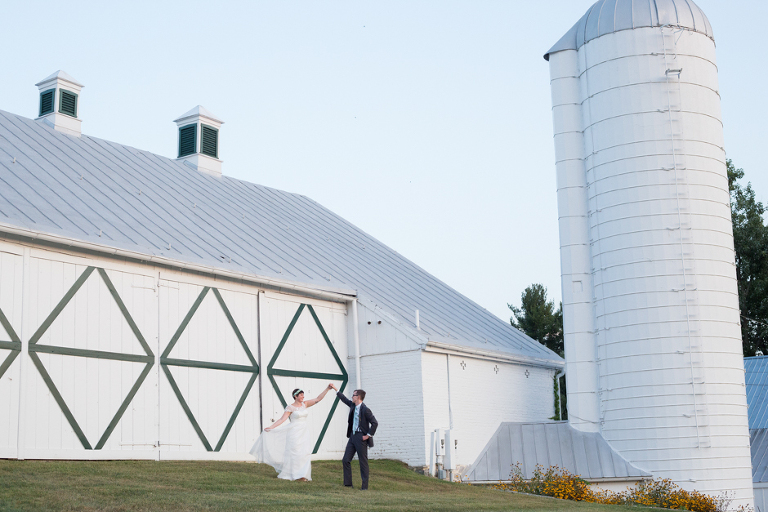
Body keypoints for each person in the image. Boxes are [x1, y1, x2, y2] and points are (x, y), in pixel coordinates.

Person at [249, 384, 334, 481]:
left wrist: (327, 389)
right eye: (301, 395)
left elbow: (318, 399)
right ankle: (294, 474)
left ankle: (303, 475)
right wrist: (271, 427)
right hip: (294, 432)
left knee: (304, 453)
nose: (303, 396)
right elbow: (282, 419)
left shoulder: (305, 404)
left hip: (304, 432)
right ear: (295, 396)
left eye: (303, 395)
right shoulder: (290, 408)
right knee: (295, 453)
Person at [330, 384, 378, 490]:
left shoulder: (365, 409)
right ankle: (348, 484)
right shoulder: (352, 405)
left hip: (361, 437)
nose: (352, 396)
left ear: (358, 397)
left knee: (363, 462)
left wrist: (368, 435)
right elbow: (344, 399)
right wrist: (335, 389)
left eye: (354, 395)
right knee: (346, 460)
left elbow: (375, 423)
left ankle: (364, 487)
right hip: (352, 437)